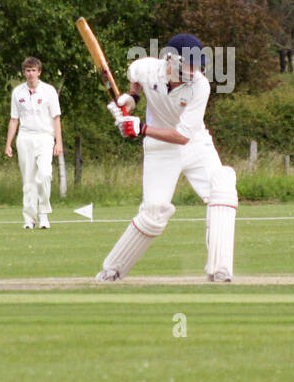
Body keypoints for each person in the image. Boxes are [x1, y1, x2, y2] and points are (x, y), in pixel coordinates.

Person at [95, 34, 237, 283]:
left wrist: (140, 128)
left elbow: (182, 136)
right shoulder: (148, 68)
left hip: (195, 144)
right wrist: (132, 97)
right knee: (153, 212)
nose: (194, 70)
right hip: (160, 150)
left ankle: (220, 269)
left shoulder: (200, 86)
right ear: (170, 59)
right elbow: (134, 75)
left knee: (223, 186)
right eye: (189, 63)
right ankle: (113, 269)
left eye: (197, 64)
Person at [4, 57, 62, 229]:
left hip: (45, 136)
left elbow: (56, 118)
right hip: (25, 137)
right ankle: (29, 218)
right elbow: (14, 120)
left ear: (39, 72)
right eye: (27, 71)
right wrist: (8, 143)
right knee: (28, 179)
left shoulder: (49, 91)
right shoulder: (18, 92)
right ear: (24, 72)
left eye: (33, 70)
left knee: (44, 174)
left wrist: (58, 142)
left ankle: (44, 213)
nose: (30, 74)